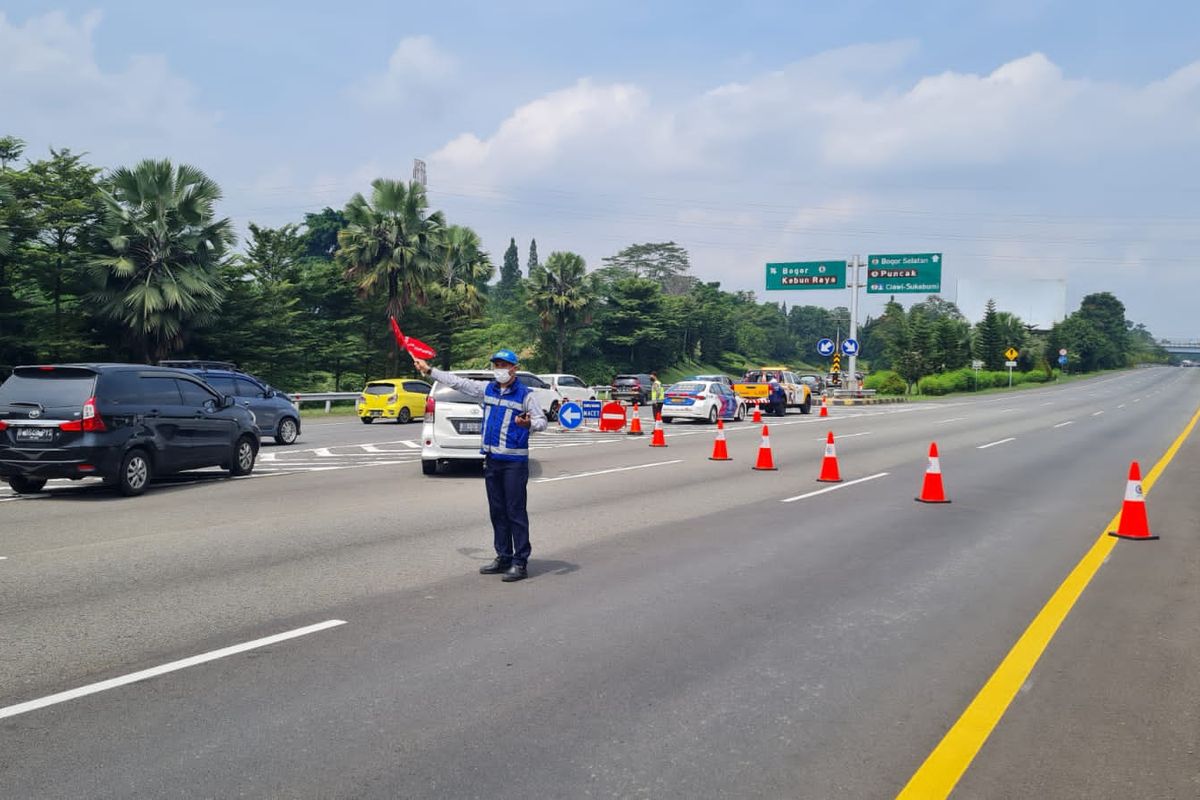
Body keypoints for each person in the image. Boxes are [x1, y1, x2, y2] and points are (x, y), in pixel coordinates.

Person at [413, 349, 547, 582]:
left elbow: (542, 421)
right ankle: (503, 556)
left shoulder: (526, 395)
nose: (500, 370)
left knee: (515, 511)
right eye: (496, 365)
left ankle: (520, 561)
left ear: (514, 368)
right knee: (497, 511)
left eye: (504, 365)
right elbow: (459, 383)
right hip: (492, 460)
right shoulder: (488, 389)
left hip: (514, 462)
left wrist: (529, 424)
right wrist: (430, 371)